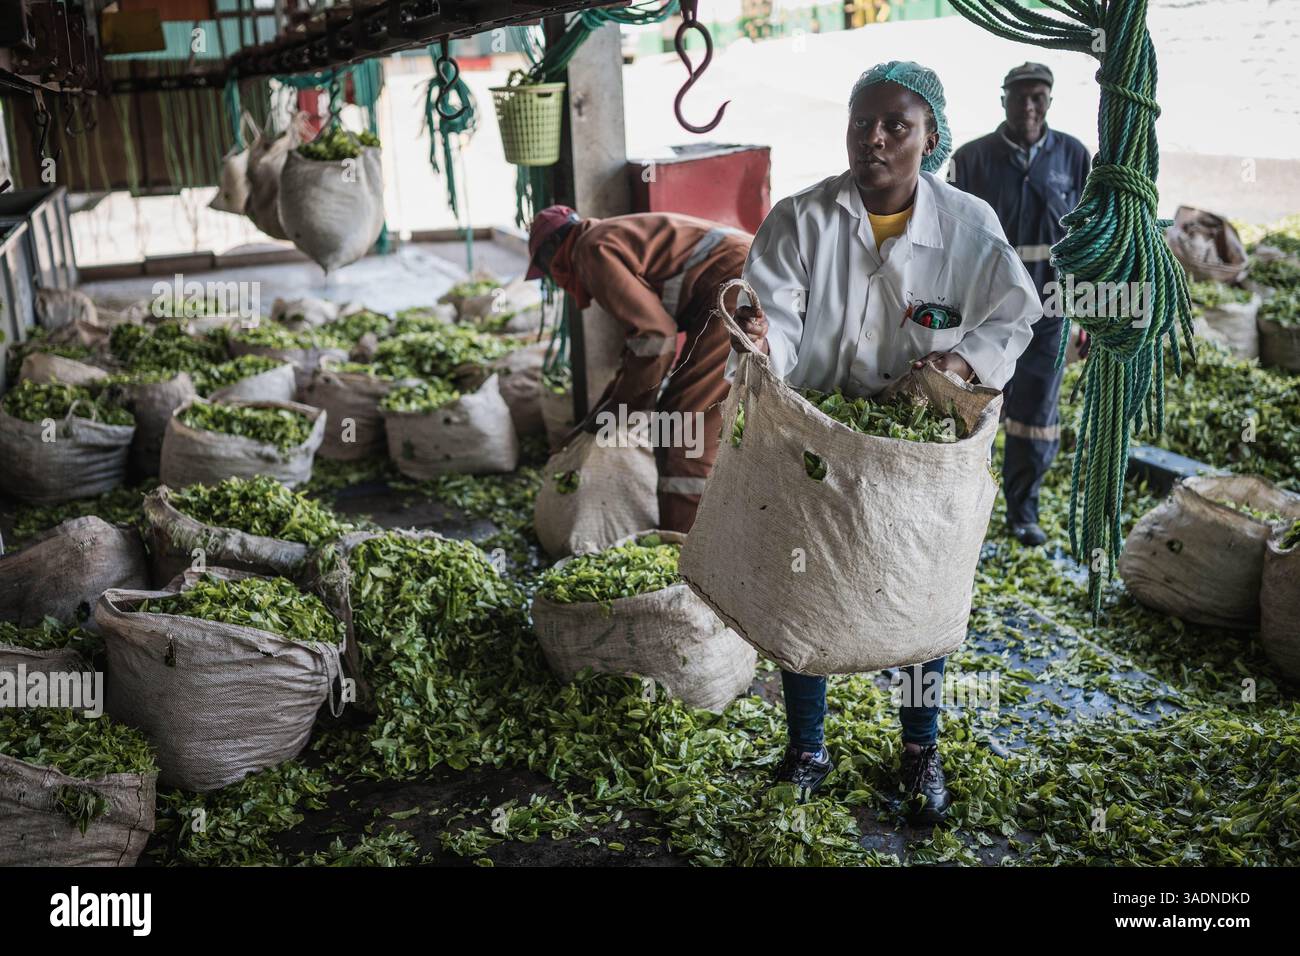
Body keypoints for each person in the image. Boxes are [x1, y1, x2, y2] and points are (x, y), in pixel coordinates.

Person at [728, 61, 1042, 820]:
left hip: (920, 446)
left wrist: (961, 359)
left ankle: (920, 749)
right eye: (860, 122)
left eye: (896, 126)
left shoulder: (967, 225)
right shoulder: (801, 219)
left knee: (920, 597)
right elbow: (777, 315)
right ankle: (806, 746)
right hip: (823, 433)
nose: (873, 140)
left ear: (930, 136)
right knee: (808, 590)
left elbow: (1015, 313)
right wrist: (763, 341)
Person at [525, 206, 751, 532]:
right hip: (741, 282)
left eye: (547, 271)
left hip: (735, 290)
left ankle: (683, 558)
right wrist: (609, 411)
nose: (555, 281)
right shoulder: (606, 237)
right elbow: (640, 350)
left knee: (683, 435)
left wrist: (625, 415)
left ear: (553, 255)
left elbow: (656, 338)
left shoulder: (589, 251)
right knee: (691, 425)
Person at [949, 62, 1092, 546]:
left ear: (1049, 101)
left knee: (1035, 416)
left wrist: (1088, 312)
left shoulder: (1073, 156)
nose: (1029, 106)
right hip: (986, 312)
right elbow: (951, 241)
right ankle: (964, 507)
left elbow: (1091, 237)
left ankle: (1022, 512)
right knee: (972, 406)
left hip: (1051, 311)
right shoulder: (972, 160)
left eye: (1039, 96)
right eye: (1020, 96)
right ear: (1003, 99)